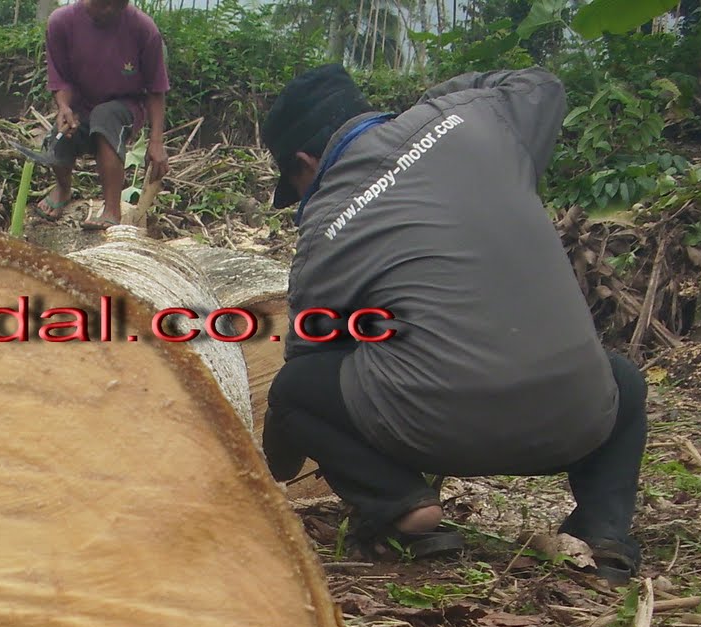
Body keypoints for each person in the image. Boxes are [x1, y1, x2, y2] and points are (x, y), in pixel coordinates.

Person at [259, 65, 648, 581]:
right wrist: (433, 111)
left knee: (297, 387)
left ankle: (402, 505)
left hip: (440, 433)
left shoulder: (326, 220)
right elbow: (542, 84)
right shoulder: (480, 119)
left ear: (305, 162)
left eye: (298, 186)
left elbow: (310, 357)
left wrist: (275, 460)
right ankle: (603, 531)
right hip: (576, 423)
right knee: (623, 383)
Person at [39, 0, 170, 230]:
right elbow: (61, 80)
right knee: (59, 139)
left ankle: (112, 209)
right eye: (102, 4)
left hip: (126, 105)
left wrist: (156, 141)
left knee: (105, 116)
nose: (109, 10)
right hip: (80, 105)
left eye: (117, 5)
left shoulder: (144, 29)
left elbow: (155, 90)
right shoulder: (61, 22)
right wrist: (64, 107)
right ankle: (63, 187)